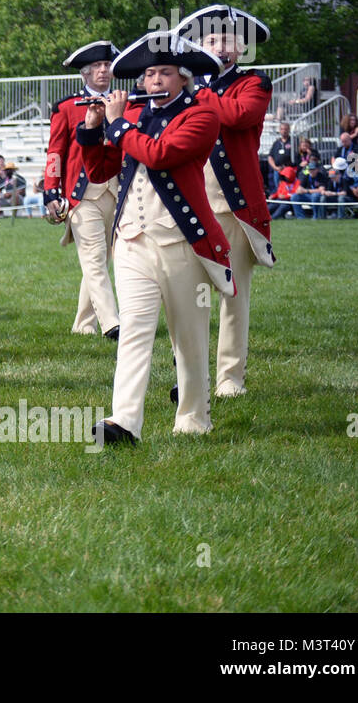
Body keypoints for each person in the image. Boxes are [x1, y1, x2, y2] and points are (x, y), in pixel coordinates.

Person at [79, 31, 234, 445]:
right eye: (149, 74)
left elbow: (160, 155)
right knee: (133, 330)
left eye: (165, 72)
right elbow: (98, 172)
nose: (155, 81)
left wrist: (117, 123)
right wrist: (94, 130)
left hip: (184, 243)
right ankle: (124, 422)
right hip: (132, 241)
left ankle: (193, 417)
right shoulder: (135, 117)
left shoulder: (202, 116)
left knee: (189, 336)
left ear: (184, 78)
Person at [178, 4, 275, 399]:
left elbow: (236, 116)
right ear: (200, 46)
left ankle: (230, 377)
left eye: (229, 40)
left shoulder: (254, 83)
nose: (221, 47)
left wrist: (196, 90)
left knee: (233, 295)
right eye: (212, 40)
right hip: (190, 205)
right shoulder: (182, 89)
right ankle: (189, 371)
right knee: (187, 293)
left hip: (233, 209)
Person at [43, 40, 121, 340]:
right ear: (85, 74)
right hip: (81, 194)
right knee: (94, 257)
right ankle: (112, 323)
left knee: (100, 260)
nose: (103, 70)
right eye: (97, 67)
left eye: (107, 66)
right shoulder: (66, 107)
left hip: (115, 191)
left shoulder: (122, 103)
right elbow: (55, 151)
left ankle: (83, 323)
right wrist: (51, 190)